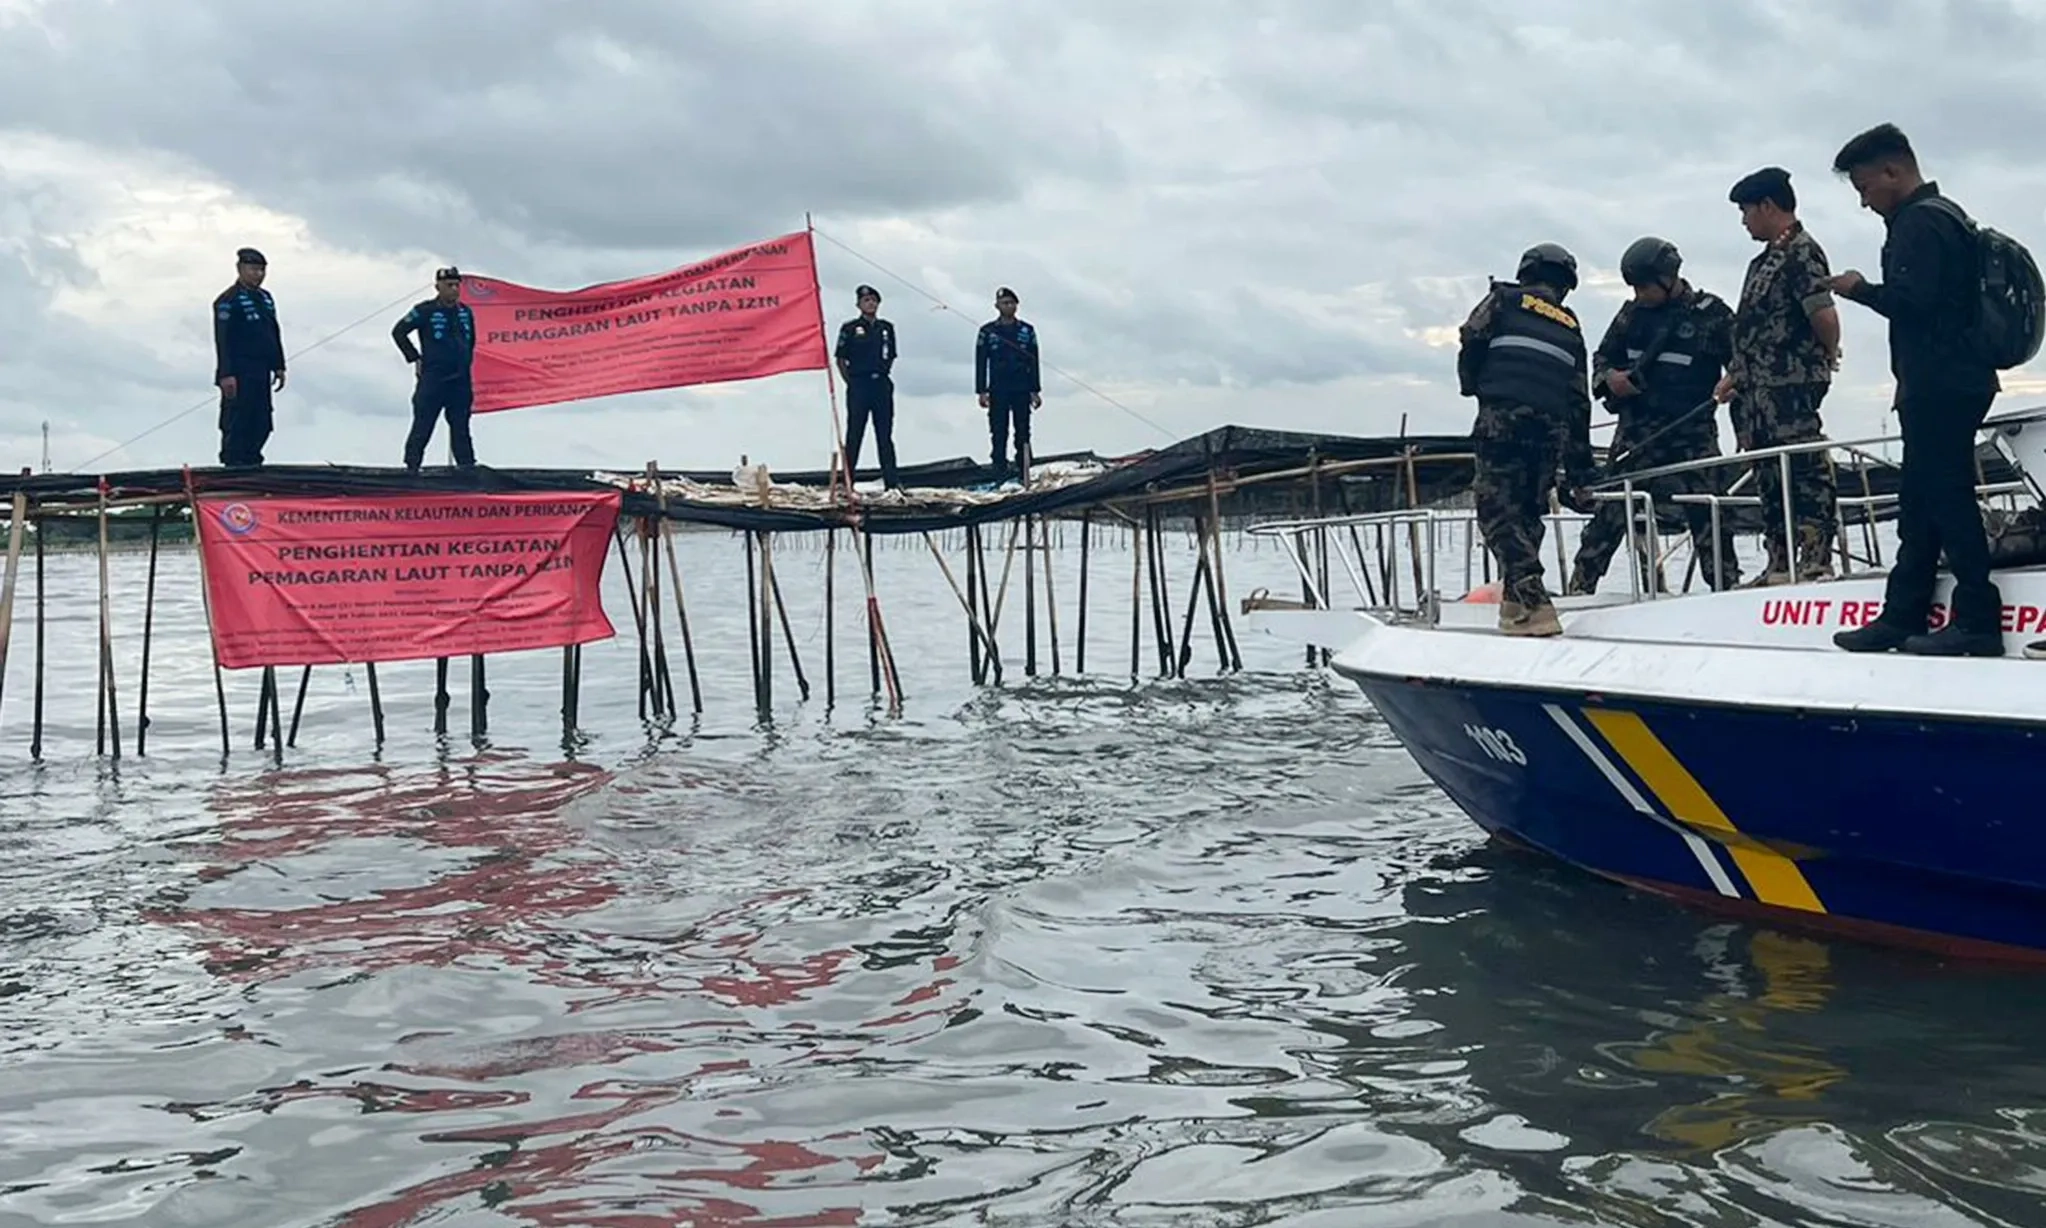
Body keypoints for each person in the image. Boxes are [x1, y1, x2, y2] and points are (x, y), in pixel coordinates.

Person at [1825, 123, 2003, 657]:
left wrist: (1859, 290)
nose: (1864, 201)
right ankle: (1902, 613)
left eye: (1864, 187)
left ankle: (1978, 619)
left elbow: (1915, 303)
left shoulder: (1919, 223)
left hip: (1938, 382)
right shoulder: (1949, 216)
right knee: (1921, 501)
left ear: (1892, 171)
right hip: (1958, 378)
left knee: (1947, 498)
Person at [1568, 237, 1742, 595]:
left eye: (1644, 287)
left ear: (1668, 278)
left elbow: (1743, 365)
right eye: (1634, 287)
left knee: (1710, 516)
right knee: (1608, 515)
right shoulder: (1630, 315)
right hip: (1636, 435)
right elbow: (1602, 358)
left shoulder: (1712, 315)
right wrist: (1609, 379)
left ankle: (1726, 591)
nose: (1639, 294)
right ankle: (1579, 590)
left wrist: (1736, 393)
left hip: (1692, 435)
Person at [1457, 243, 1598, 636]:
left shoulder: (1503, 300)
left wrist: (1471, 384)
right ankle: (1515, 605)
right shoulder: (1570, 326)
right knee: (1527, 515)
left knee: (1496, 511)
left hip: (1502, 424)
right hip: (1549, 436)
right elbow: (1579, 402)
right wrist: (1581, 471)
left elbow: (1471, 337)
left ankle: (1532, 597)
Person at [1715, 166, 1844, 584]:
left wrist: (1827, 353)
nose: (1743, 220)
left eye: (1746, 210)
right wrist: (1737, 374)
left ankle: (1815, 557)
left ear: (1768, 206)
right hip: (1758, 390)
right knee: (1769, 475)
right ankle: (1780, 561)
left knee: (1804, 467)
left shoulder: (1801, 252)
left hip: (1791, 383)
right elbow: (1756, 329)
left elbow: (1823, 314)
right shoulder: (1763, 261)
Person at [392, 267, 477, 470]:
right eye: (449, 285)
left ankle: (467, 468)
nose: (454, 289)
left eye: (457, 285)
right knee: (423, 425)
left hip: (460, 380)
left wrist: (465, 361)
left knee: (461, 427)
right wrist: (415, 358)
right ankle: (411, 467)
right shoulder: (425, 310)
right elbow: (399, 332)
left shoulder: (465, 312)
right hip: (434, 378)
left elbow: (471, 341)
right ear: (438, 287)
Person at [212, 247, 285, 467]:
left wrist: (279, 365)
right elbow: (223, 340)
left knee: (262, 420)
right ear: (240, 269)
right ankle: (233, 463)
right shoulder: (228, 300)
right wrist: (226, 374)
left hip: (261, 369)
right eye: (253, 269)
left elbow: (272, 331)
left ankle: (253, 459)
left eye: (261, 270)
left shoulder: (265, 298)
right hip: (239, 370)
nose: (258, 275)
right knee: (237, 419)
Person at [833, 283, 900, 490]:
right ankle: (847, 481)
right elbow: (840, 359)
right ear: (859, 304)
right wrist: (852, 381)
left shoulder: (886, 328)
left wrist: (881, 372)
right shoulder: (850, 328)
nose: (870, 304)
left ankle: (891, 482)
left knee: (884, 435)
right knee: (855, 433)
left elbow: (891, 356)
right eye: (866, 300)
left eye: (873, 300)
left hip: (881, 384)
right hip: (859, 384)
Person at [975, 286, 1040, 480]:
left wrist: (1035, 390)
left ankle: (1024, 469)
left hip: (1021, 387)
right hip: (998, 388)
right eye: (1004, 303)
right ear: (997, 306)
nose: (1008, 306)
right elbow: (981, 362)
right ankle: (999, 470)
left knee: (1023, 432)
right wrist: (981, 391)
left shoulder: (1027, 331)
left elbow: (1034, 361)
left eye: (1011, 303)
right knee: (998, 431)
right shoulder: (987, 331)